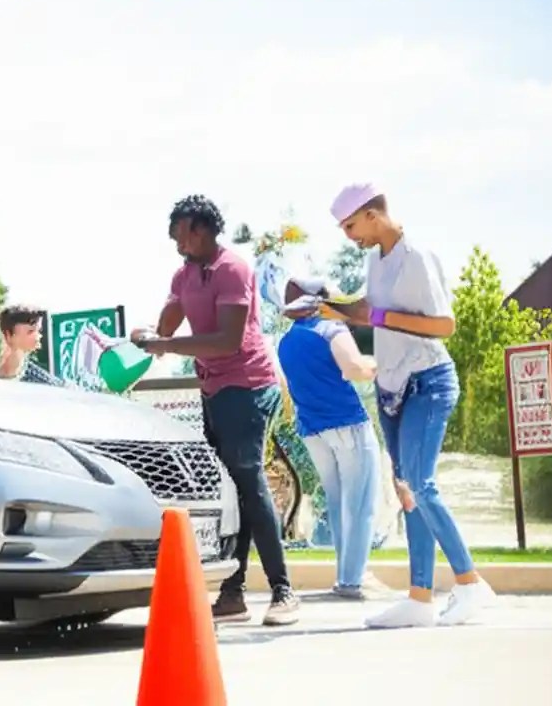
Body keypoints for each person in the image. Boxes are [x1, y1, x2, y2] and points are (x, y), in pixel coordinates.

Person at [325, 183, 495, 628]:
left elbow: (444, 325)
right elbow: (371, 309)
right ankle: (420, 598)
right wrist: (329, 305)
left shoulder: (416, 256)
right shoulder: (374, 259)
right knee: (408, 491)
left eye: (350, 226)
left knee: (420, 484)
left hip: (429, 382)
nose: (349, 236)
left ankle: (471, 582)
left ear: (372, 214)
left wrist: (376, 317)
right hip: (393, 385)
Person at [133, 194, 300, 626]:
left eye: (180, 235)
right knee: (229, 486)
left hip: (246, 385)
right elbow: (167, 326)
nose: (176, 244)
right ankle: (233, 592)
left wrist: (166, 345)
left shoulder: (233, 269)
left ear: (201, 229)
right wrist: (148, 333)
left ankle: (284, 592)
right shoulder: (184, 274)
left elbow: (227, 341)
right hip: (213, 389)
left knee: (248, 479)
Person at [277, 275, 382, 600]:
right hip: (347, 423)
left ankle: (346, 574)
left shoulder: (285, 342)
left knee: (338, 503)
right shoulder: (332, 330)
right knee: (361, 502)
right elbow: (353, 369)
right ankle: (351, 581)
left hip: (313, 431)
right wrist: (375, 364)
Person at [0, 304, 65, 386]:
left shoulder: (41, 379)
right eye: (31, 331)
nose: (38, 335)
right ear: (8, 335)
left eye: (38, 330)